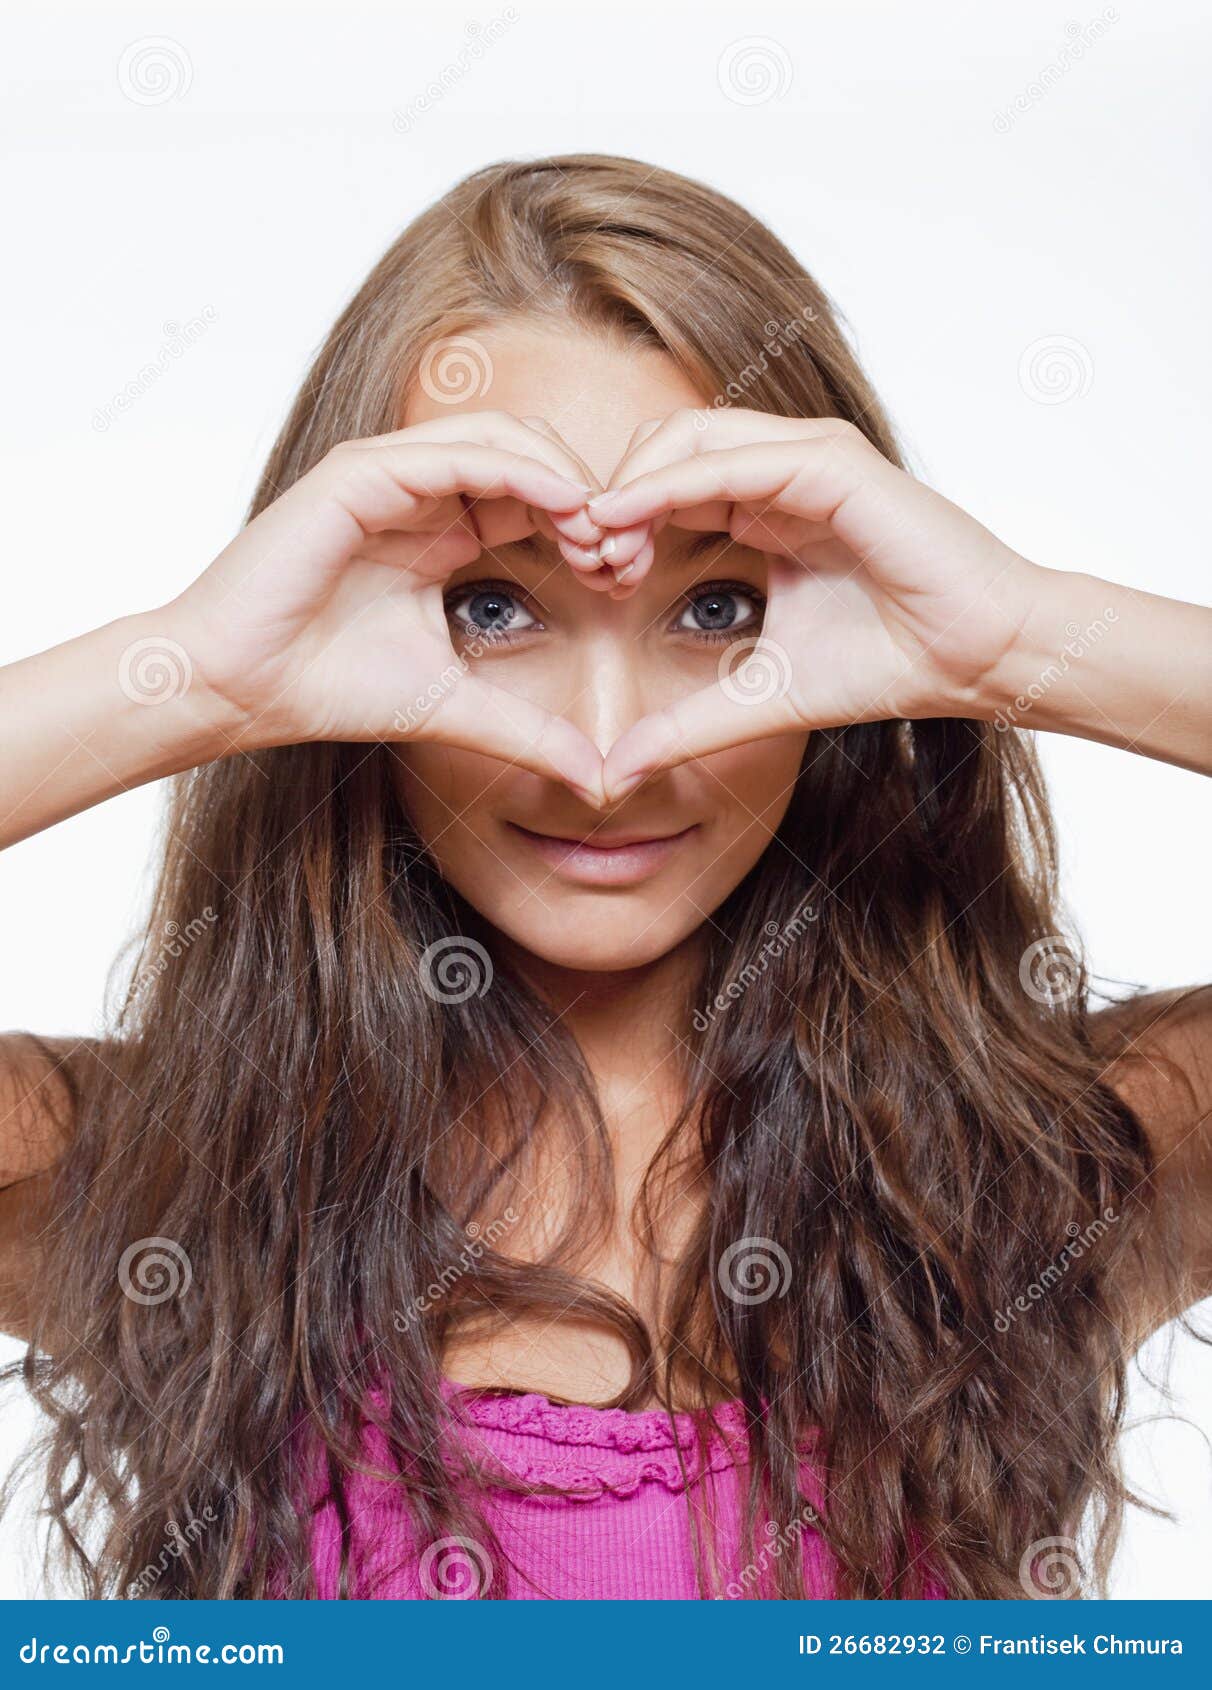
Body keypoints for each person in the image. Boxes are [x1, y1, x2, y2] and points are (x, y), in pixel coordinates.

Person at [1, 154, 1209, 1600]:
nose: (605, 746)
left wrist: (1018, 639)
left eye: (715, 604)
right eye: (492, 604)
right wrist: (191, 676)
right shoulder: (153, 1175)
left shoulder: (1054, 1159)